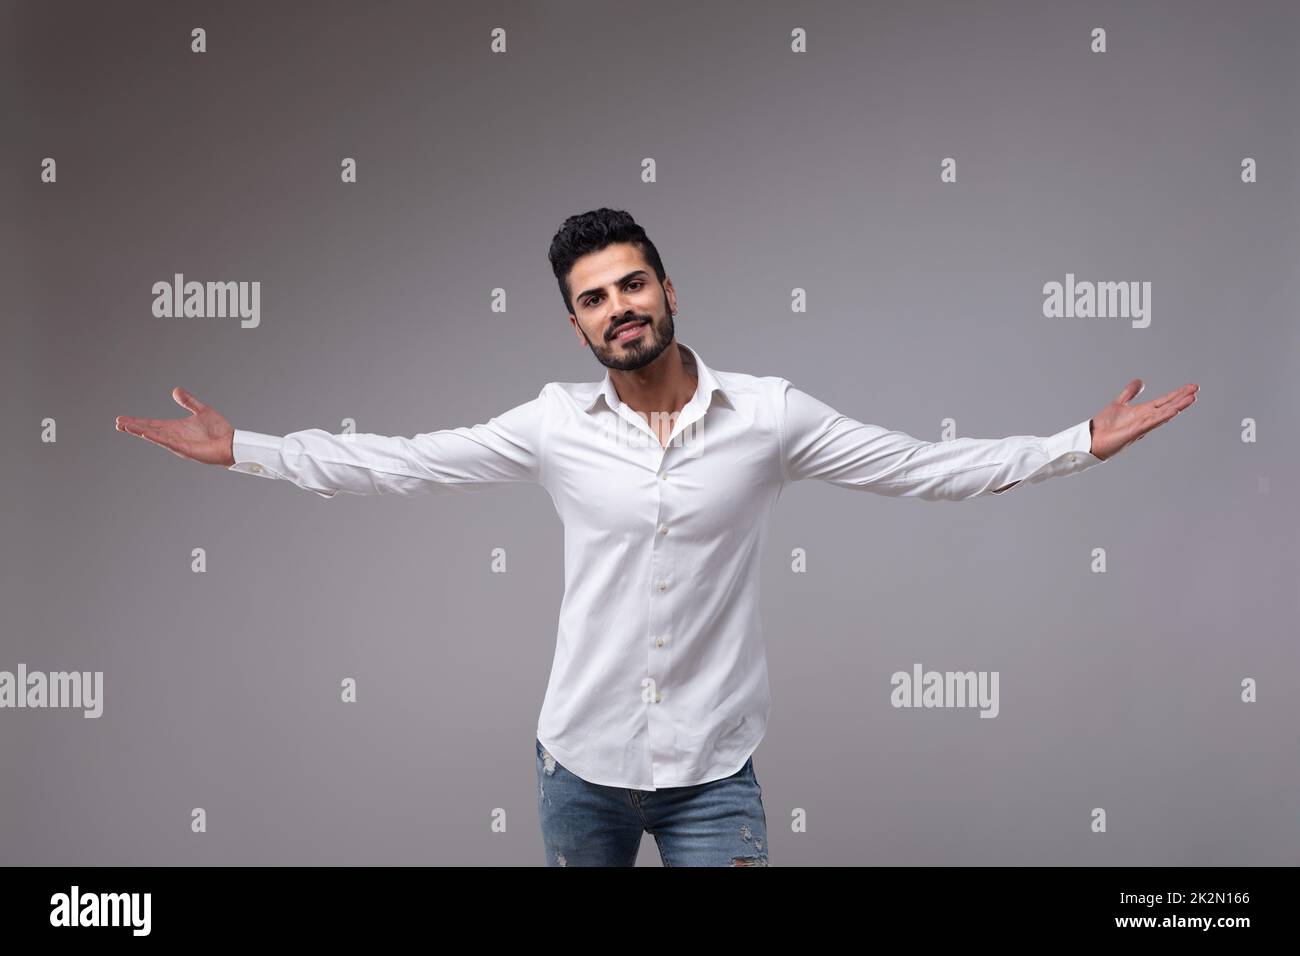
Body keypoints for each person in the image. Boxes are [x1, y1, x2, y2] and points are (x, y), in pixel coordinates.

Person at [116, 207, 1199, 866]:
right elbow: (398, 459)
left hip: (713, 768)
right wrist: (244, 447)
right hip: (576, 761)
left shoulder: (770, 414)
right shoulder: (550, 424)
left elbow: (922, 467)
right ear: (575, 323)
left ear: (668, 290)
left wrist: (1076, 442)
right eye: (593, 298)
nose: (618, 307)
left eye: (632, 283)